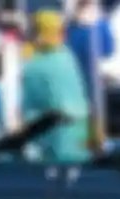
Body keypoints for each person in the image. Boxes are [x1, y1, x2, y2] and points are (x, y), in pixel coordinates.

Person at [19, 10, 92, 163]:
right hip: (79, 138)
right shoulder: (67, 57)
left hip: (54, 146)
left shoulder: (35, 66)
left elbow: (28, 110)